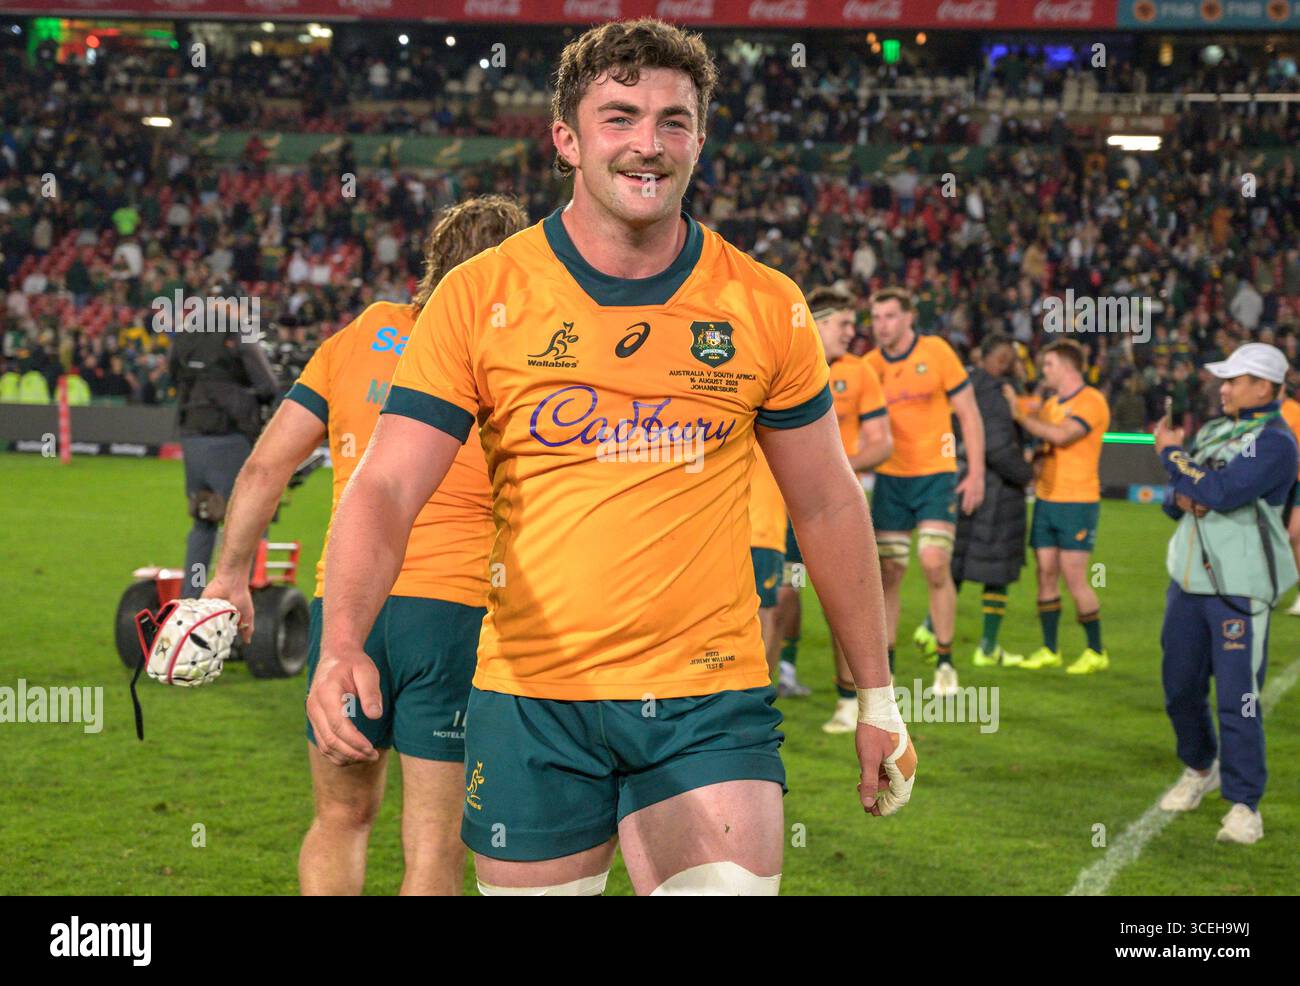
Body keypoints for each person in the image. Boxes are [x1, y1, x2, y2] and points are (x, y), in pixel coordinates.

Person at [310, 18, 914, 897]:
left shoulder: (765, 304)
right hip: (529, 700)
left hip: (708, 698)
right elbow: (389, 485)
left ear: (700, 139)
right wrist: (337, 643)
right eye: (620, 117)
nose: (649, 145)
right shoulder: (480, 296)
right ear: (566, 138)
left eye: (674, 121)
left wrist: (878, 697)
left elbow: (825, 504)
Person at [203, 196, 528, 895]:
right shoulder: (515, 353)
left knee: (340, 817)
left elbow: (265, 466)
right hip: (455, 611)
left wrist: (229, 576)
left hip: (347, 609)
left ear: (432, 263)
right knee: (434, 848)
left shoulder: (362, 336)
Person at [1153, 342, 1298, 844]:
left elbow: (1222, 492)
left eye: (1234, 380)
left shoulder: (1276, 441)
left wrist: (1173, 456)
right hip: (1188, 580)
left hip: (1239, 587)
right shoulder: (1215, 430)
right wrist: (1189, 488)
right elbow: (1177, 500)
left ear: (1264, 387)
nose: (1224, 388)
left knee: (1240, 700)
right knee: (1179, 688)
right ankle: (1199, 767)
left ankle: (1244, 805)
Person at [866, 287, 985, 698]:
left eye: (891, 316)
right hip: (890, 480)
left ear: (910, 317)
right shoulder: (869, 366)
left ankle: (946, 662)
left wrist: (977, 472)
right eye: (876, 317)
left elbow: (968, 412)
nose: (883, 325)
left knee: (934, 562)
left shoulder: (936, 352)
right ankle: (888, 672)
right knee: (889, 573)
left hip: (936, 474)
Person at [795, 286, 893, 733]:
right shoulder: (787, 359)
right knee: (777, 593)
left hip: (833, 505)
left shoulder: (860, 372)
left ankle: (847, 701)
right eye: (845, 324)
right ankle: (775, 678)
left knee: (841, 600)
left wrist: (829, 468)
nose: (854, 333)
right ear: (817, 322)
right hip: (775, 504)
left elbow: (882, 443)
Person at [169, 284, 280, 598]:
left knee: (204, 518)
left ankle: (192, 600)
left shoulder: (187, 331)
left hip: (192, 435)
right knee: (252, 517)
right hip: (230, 437)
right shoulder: (238, 333)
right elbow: (268, 385)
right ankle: (242, 598)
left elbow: (173, 372)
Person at [1007, 339, 1111, 674]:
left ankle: (1096, 650)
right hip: (1047, 499)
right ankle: (1050, 648)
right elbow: (1045, 444)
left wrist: (1020, 416)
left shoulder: (1091, 400)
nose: (1044, 370)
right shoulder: (1052, 404)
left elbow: (1063, 436)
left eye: (1049, 364)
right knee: (1045, 572)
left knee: (1074, 576)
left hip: (1077, 501)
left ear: (1068, 367)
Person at [953, 333, 1033, 667]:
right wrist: (1026, 473)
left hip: (972, 482)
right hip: (997, 490)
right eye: (1006, 357)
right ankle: (986, 646)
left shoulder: (976, 384)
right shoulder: (993, 392)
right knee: (996, 569)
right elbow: (998, 447)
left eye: (1011, 357)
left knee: (957, 560)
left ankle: (933, 631)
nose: (1010, 363)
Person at [1276, 383, 1300, 617]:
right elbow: (1248, 449)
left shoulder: (1295, 413)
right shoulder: (1253, 418)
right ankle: (1271, 589)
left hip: (1296, 480)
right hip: (1267, 483)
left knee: (1294, 534)